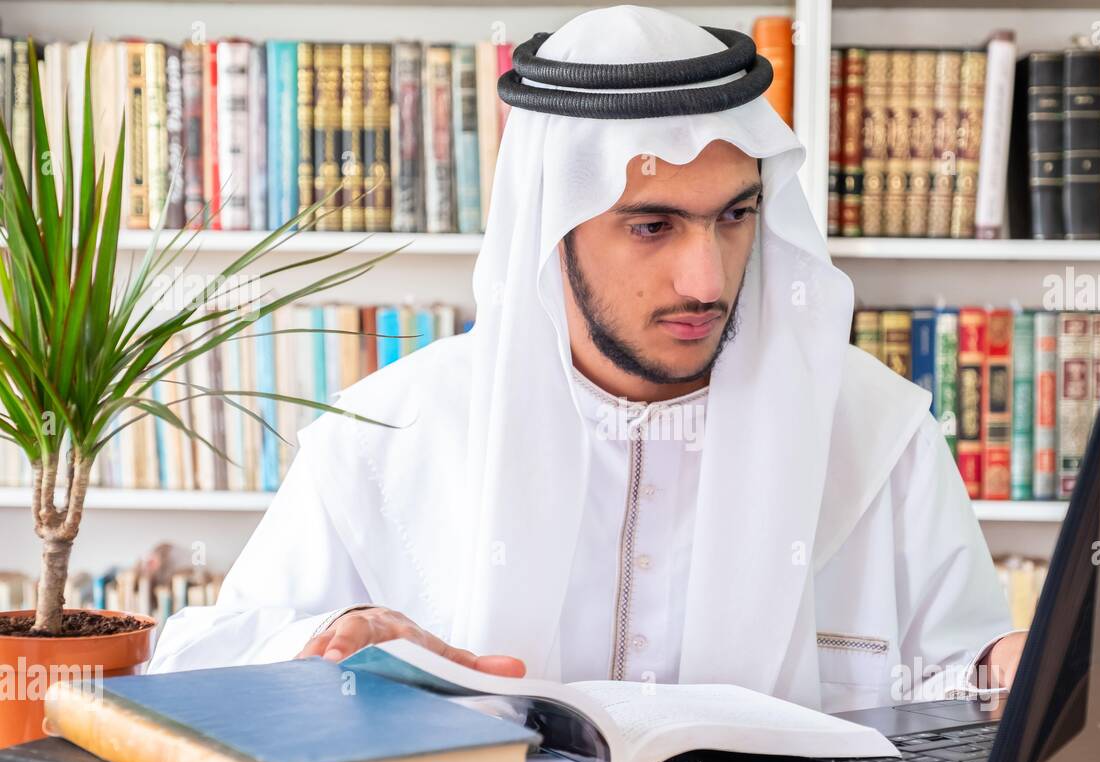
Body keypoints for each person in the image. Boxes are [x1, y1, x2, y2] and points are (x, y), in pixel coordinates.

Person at [147, 6, 1026, 714]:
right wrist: (328, 642)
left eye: (734, 216)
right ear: (551, 225)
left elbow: (964, 684)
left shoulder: (881, 434)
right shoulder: (384, 434)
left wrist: (1007, 670)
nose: (707, 276)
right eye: (652, 225)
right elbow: (192, 662)